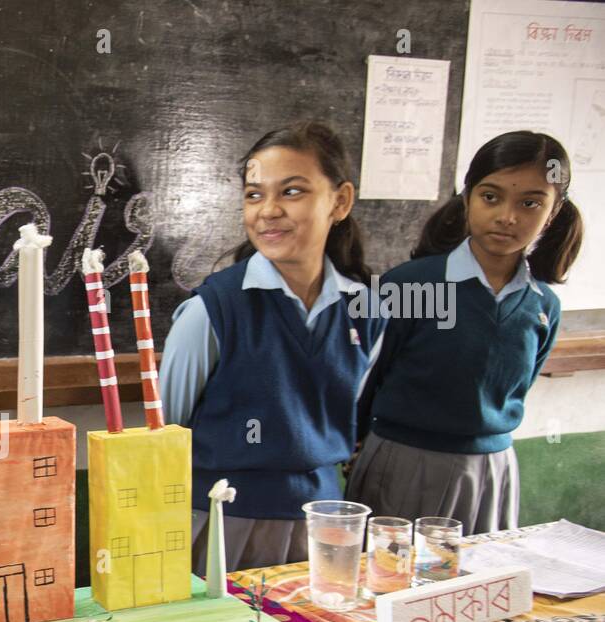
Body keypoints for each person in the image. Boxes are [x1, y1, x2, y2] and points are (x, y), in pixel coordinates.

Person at [159, 120, 384, 573]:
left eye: (293, 192)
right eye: (255, 194)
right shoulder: (212, 311)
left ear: (339, 202)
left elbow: (347, 411)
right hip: (221, 522)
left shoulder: (366, 309)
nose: (268, 211)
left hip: (324, 525)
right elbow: (165, 431)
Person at [349, 131, 582, 533]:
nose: (507, 217)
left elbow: (515, 388)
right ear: (468, 196)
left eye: (530, 203)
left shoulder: (542, 305)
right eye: (490, 197)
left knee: (477, 586)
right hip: (402, 462)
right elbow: (361, 380)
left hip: (491, 472)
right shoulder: (409, 286)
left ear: (554, 211)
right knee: (390, 587)